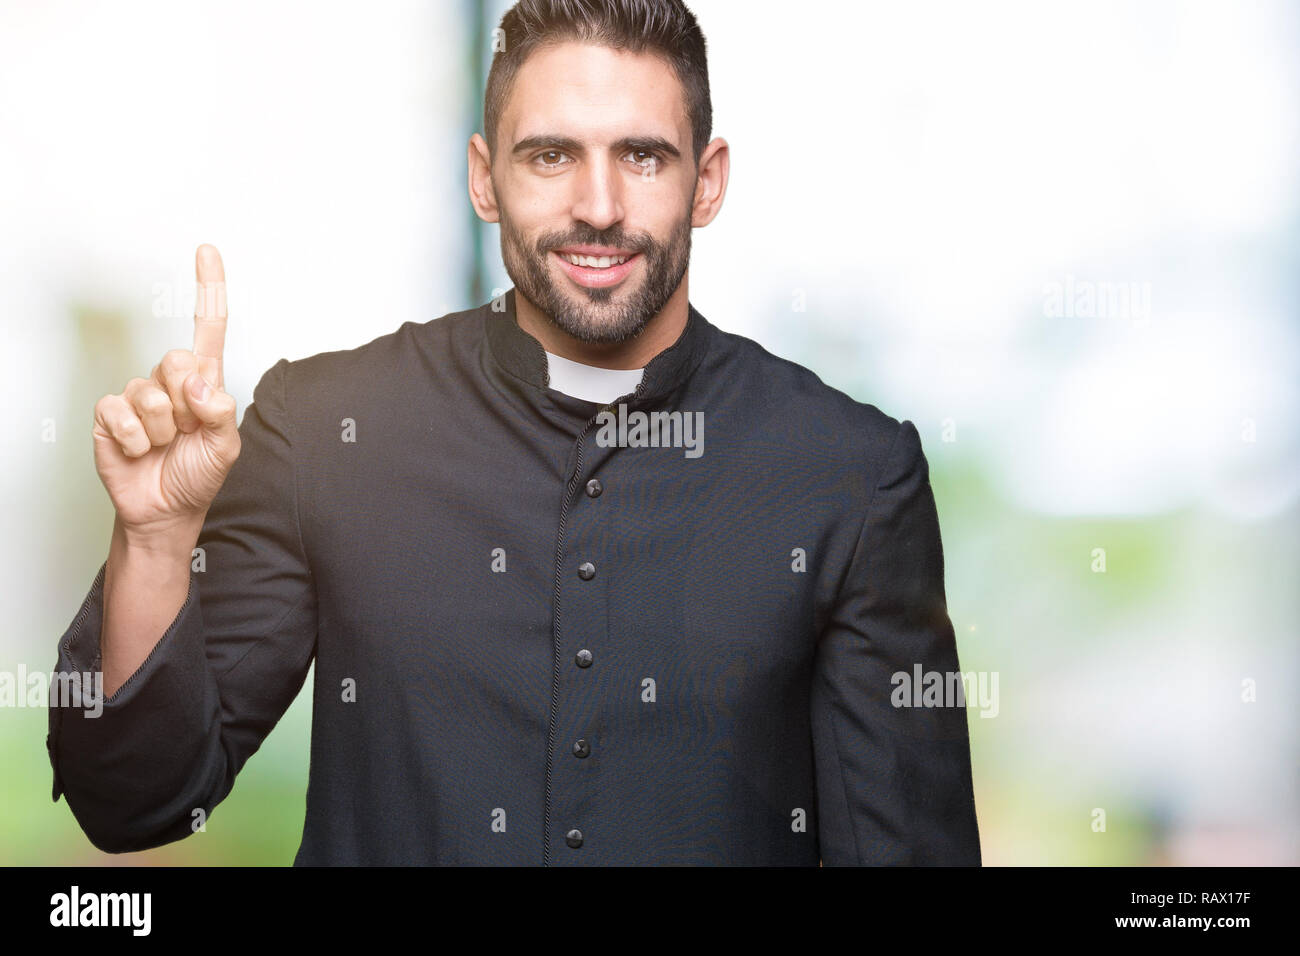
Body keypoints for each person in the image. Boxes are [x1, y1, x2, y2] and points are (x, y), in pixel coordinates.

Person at [48, 0, 981, 865]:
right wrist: (156, 543)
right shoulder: (326, 427)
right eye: (550, 156)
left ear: (709, 180)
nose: (600, 205)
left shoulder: (849, 474)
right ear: (484, 178)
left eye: (644, 156)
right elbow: (137, 803)